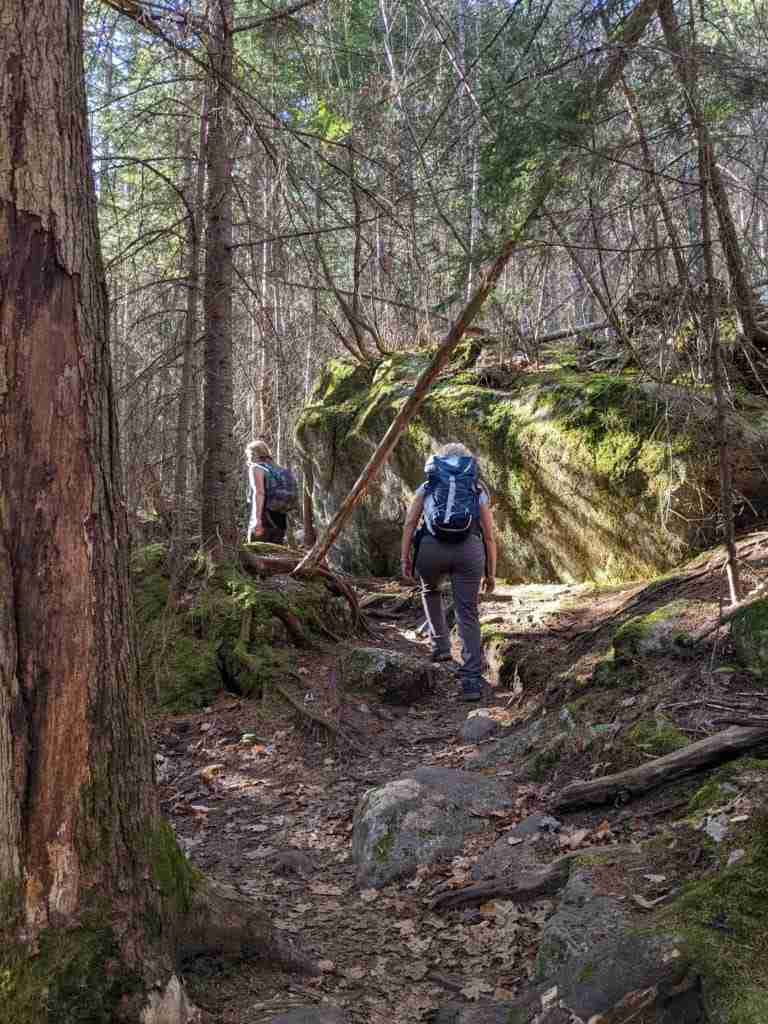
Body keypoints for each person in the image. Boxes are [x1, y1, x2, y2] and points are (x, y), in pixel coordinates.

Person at [401, 443, 497, 702]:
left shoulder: (429, 484)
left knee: (430, 590)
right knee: (467, 612)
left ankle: (441, 646)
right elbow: (488, 535)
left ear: (440, 461)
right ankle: (470, 681)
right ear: (467, 462)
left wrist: (405, 558)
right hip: (469, 551)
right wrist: (491, 572)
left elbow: (410, 522)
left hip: (430, 550)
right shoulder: (476, 488)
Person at [245, 440, 297, 545]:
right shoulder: (281, 470)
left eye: (249, 454)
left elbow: (259, 493)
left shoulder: (256, 468)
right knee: (276, 552)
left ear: (253, 454)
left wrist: (257, 520)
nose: (248, 458)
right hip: (281, 519)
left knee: (258, 552)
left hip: (265, 517)